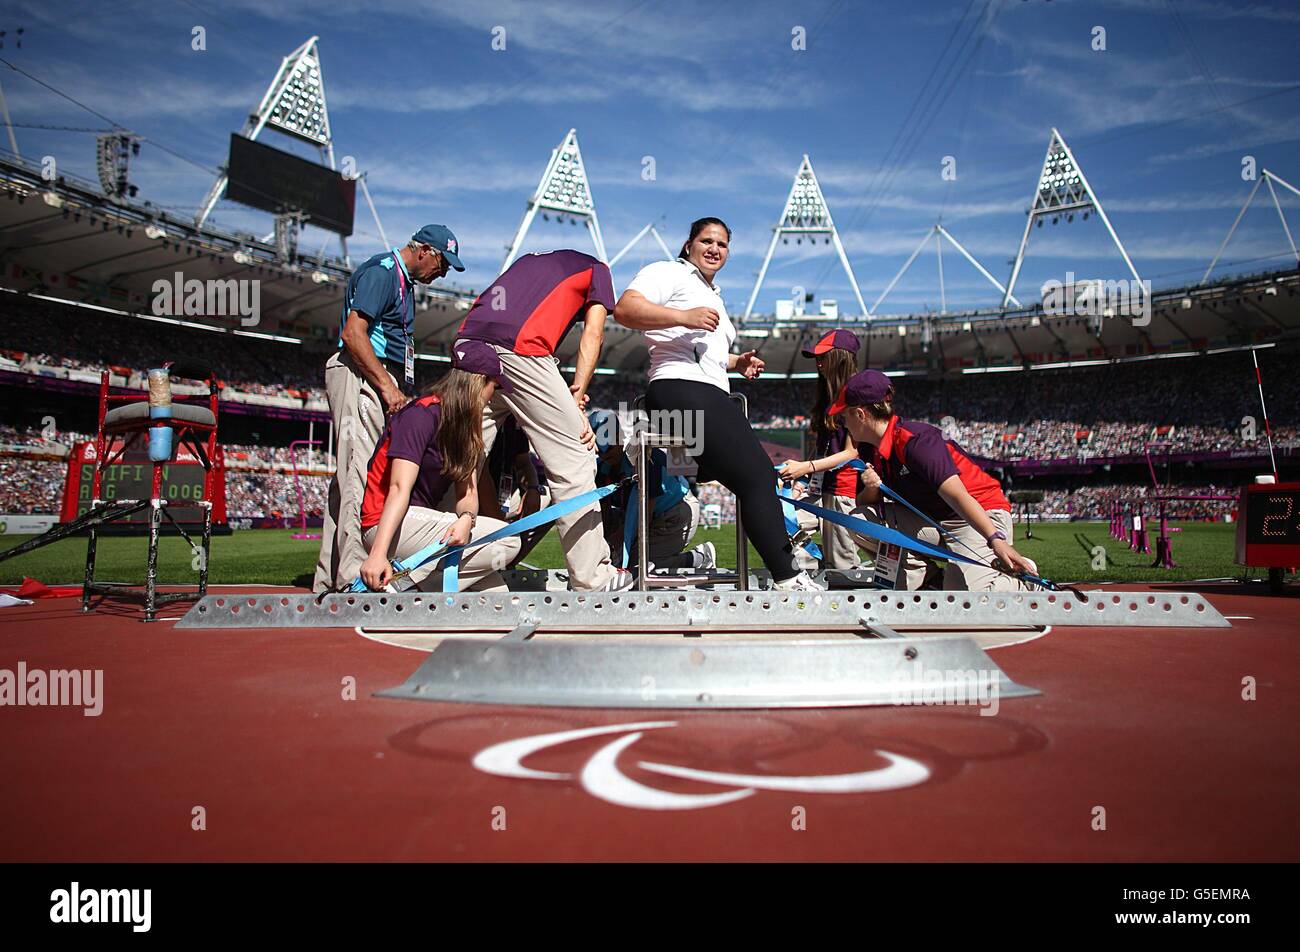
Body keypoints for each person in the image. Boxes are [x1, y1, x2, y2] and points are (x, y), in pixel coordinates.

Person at [613, 217, 821, 591]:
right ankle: (788, 578)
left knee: (752, 477)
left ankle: (784, 571)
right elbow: (625, 310)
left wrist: (736, 362)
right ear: (688, 244)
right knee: (758, 476)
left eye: (722, 244)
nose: (714, 249)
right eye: (707, 240)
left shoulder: (715, 296)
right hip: (679, 389)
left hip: (707, 391)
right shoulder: (669, 272)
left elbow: (701, 350)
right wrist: (682, 315)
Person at [453, 249, 631, 591]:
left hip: (467, 342)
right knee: (575, 458)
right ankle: (593, 578)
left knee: (462, 457)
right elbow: (593, 334)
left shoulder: (528, 262)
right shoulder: (597, 268)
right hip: (522, 348)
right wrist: (577, 399)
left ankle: (444, 567)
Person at [314, 225, 464, 593]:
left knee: (350, 477)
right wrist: (386, 385)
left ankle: (328, 577)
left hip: (378, 375)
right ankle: (352, 578)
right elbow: (353, 335)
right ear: (425, 250)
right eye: (443, 263)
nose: (442, 273)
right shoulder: (382, 272)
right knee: (358, 474)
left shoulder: (402, 282)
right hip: (362, 373)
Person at [833, 369, 1036, 591]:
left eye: (843, 417)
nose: (843, 424)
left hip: (976, 516)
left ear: (861, 414)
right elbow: (864, 506)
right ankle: (927, 582)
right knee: (859, 520)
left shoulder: (916, 441)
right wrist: (872, 488)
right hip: (934, 520)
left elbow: (958, 496)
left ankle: (1025, 584)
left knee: (966, 598)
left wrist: (995, 539)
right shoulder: (871, 450)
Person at [358, 341, 520, 593]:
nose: (492, 396)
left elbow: (468, 493)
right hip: (384, 525)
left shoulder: (464, 426)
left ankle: (415, 587)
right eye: (493, 386)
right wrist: (377, 554)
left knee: (497, 596)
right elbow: (399, 488)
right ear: (478, 382)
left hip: (420, 526)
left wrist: (467, 518)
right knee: (508, 540)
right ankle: (404, 588)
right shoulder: (421, 414)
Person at [777, 329, 871, 570]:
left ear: (841, 357)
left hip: (843, 490)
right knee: (781, 522)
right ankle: (812, 569)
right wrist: (802, 480)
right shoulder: (827, 395)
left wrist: (805, 468)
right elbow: (822, 447)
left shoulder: (857, 394)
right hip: (819, 486)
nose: (818, 363)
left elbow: (852, 452)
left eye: (823, 357)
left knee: (842, 568)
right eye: (817, 358)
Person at [589, 408, 715, 573]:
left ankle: (699, 557)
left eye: (610, 447)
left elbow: (644, 514)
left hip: (675, 511)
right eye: (600, 450)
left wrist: (618, 542)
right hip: (642, 514)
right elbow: (603, 511)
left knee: (640, 565)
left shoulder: (646, 458)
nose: (606, 455)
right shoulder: (601, 467)